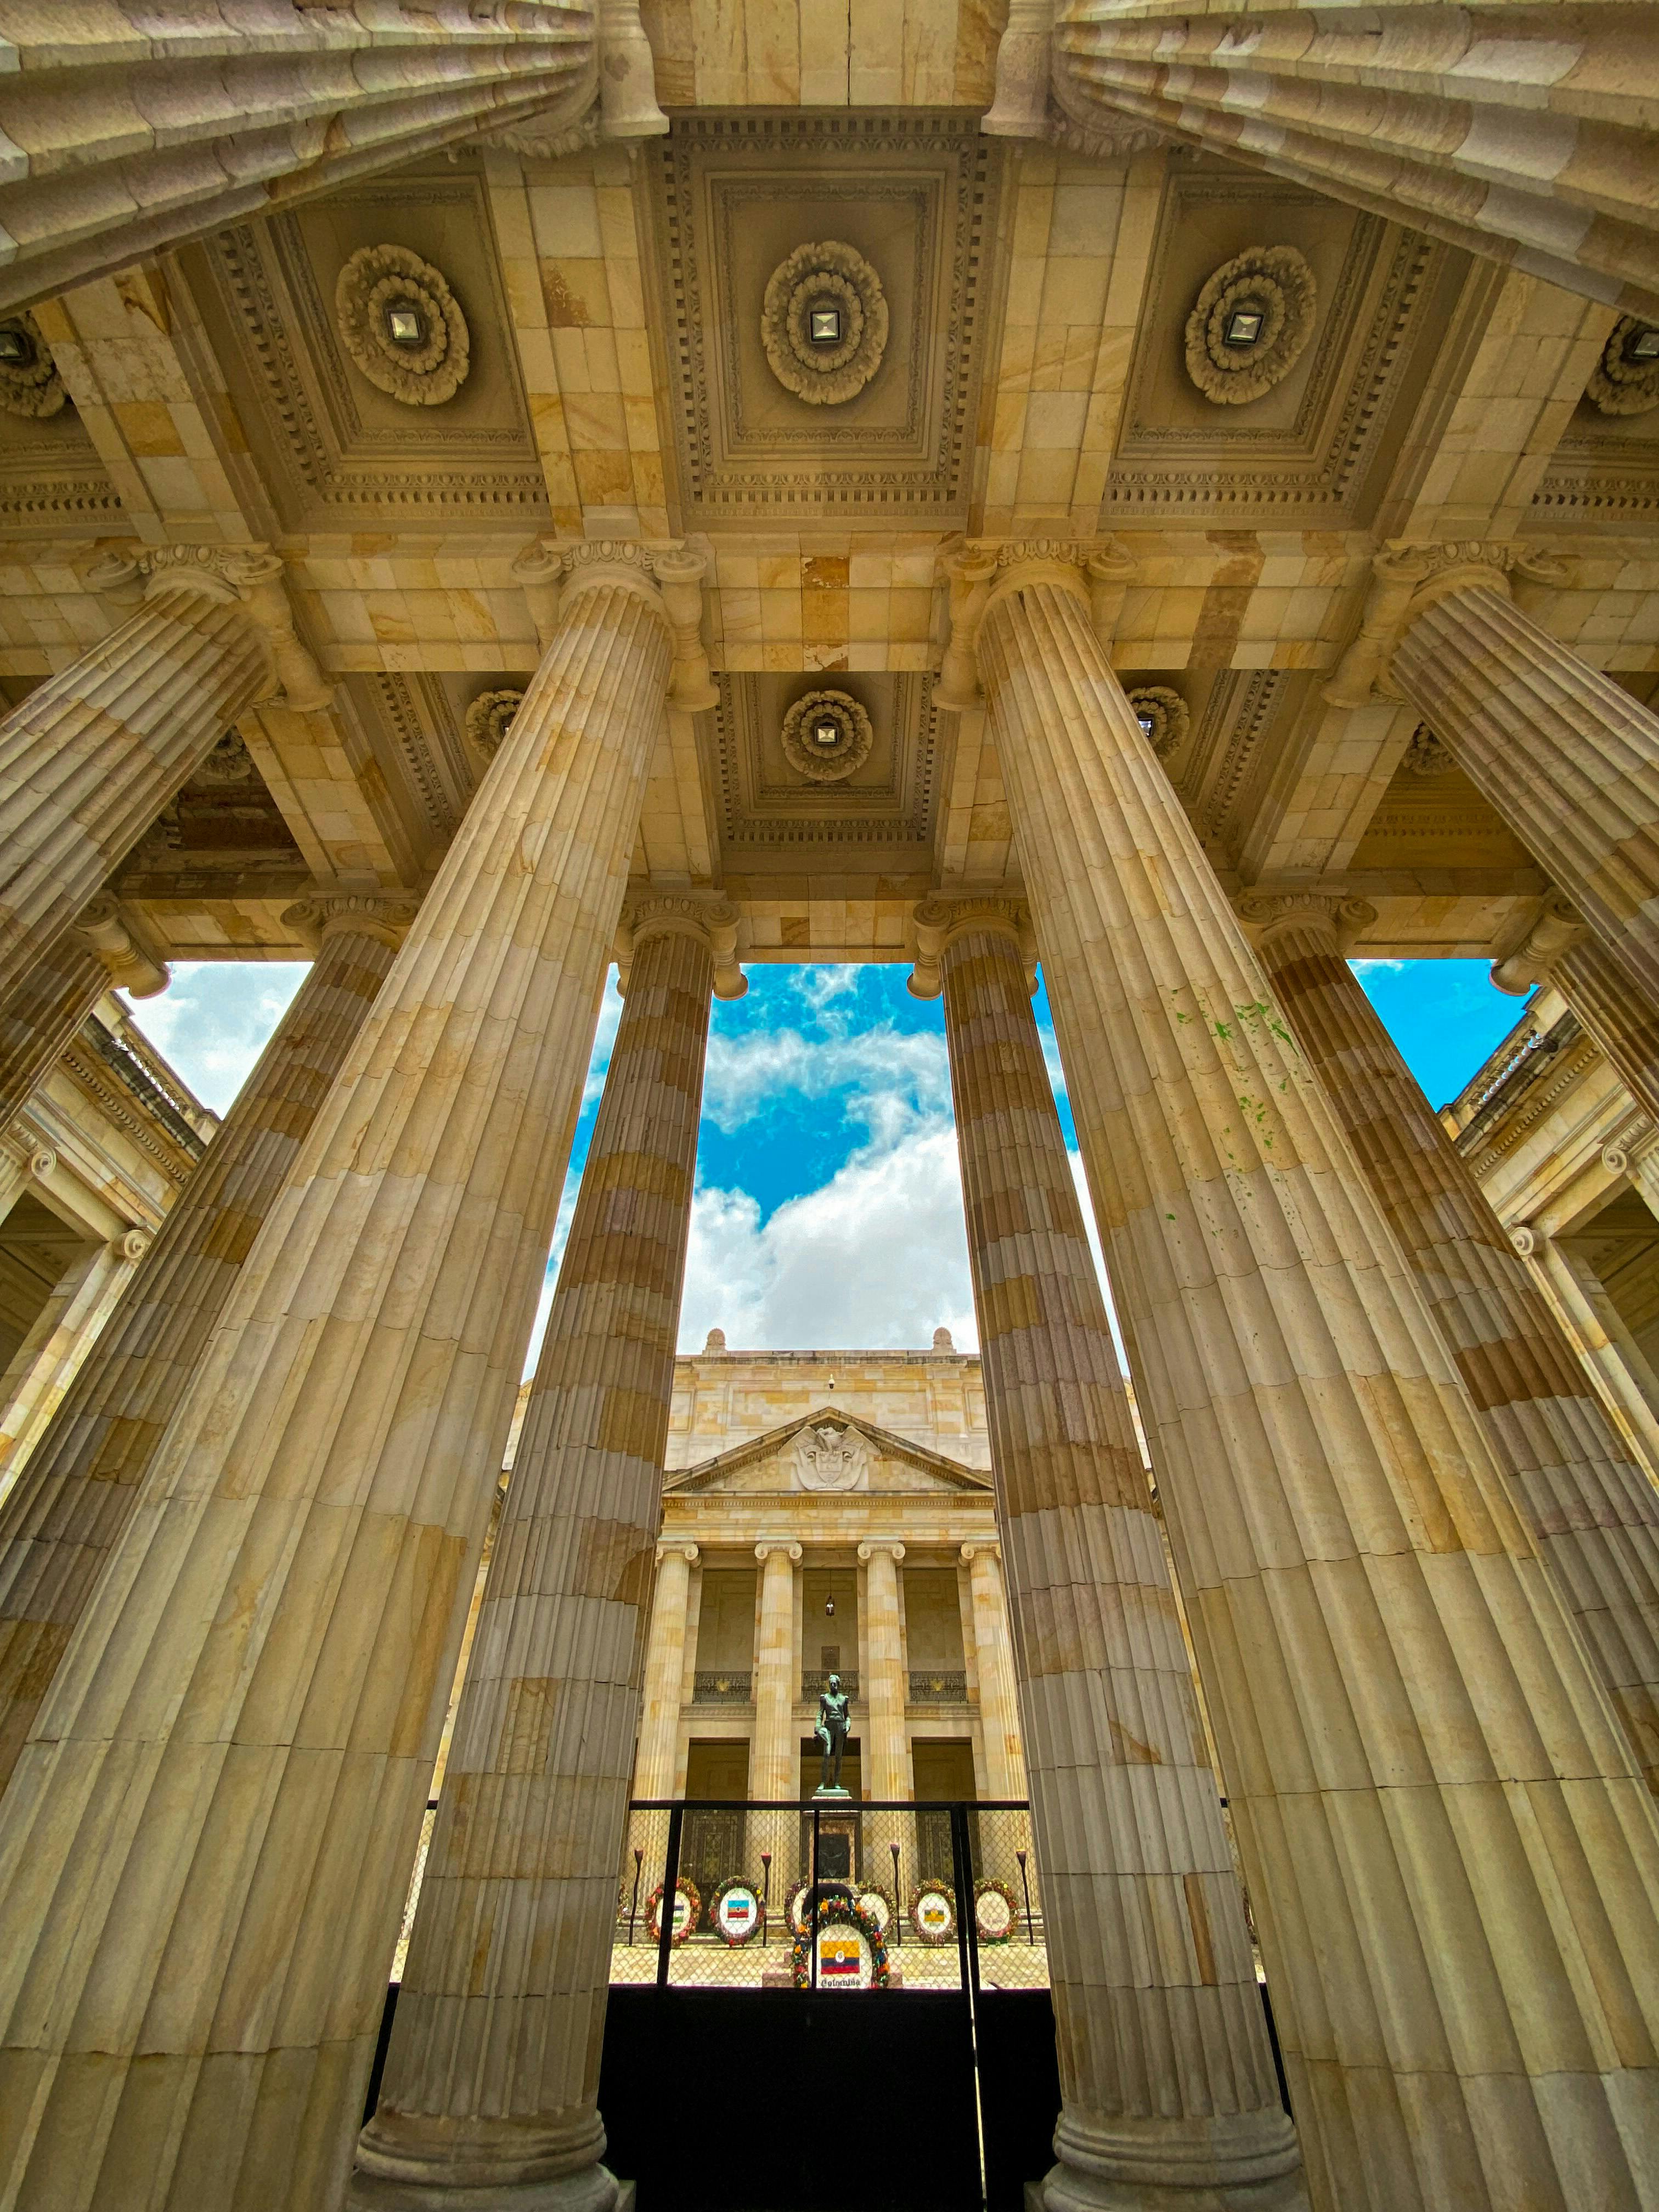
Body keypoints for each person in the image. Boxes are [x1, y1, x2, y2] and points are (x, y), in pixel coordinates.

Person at [815, 1672, 851, 1792]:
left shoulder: (843, 1699)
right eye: (831, 1684)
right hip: (829, 1726)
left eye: (835, 1684)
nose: (833, 1686)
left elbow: (848, 1716)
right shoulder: (824, 1698)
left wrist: (848, 1725)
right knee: (826, 1754)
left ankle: (836, 1782)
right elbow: (820, 1713)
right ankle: (823, 1782)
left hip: (841, 1727)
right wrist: (818, 1726)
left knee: (838, 1757)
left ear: (838, 1685)